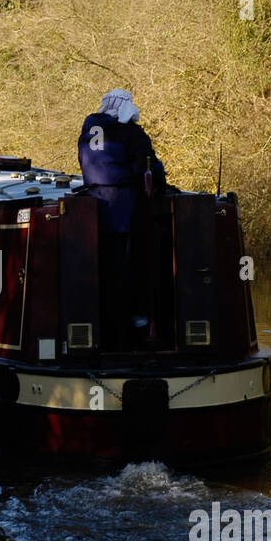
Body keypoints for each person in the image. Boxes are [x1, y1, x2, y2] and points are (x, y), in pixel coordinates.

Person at [77, 89, 166, 350]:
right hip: (124, 208)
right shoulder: (131, 134)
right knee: (131, 268)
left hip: (92, 208)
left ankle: (102, 324)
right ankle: (133, 329)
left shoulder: (88, 129)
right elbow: (148, 167)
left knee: (100, 269)